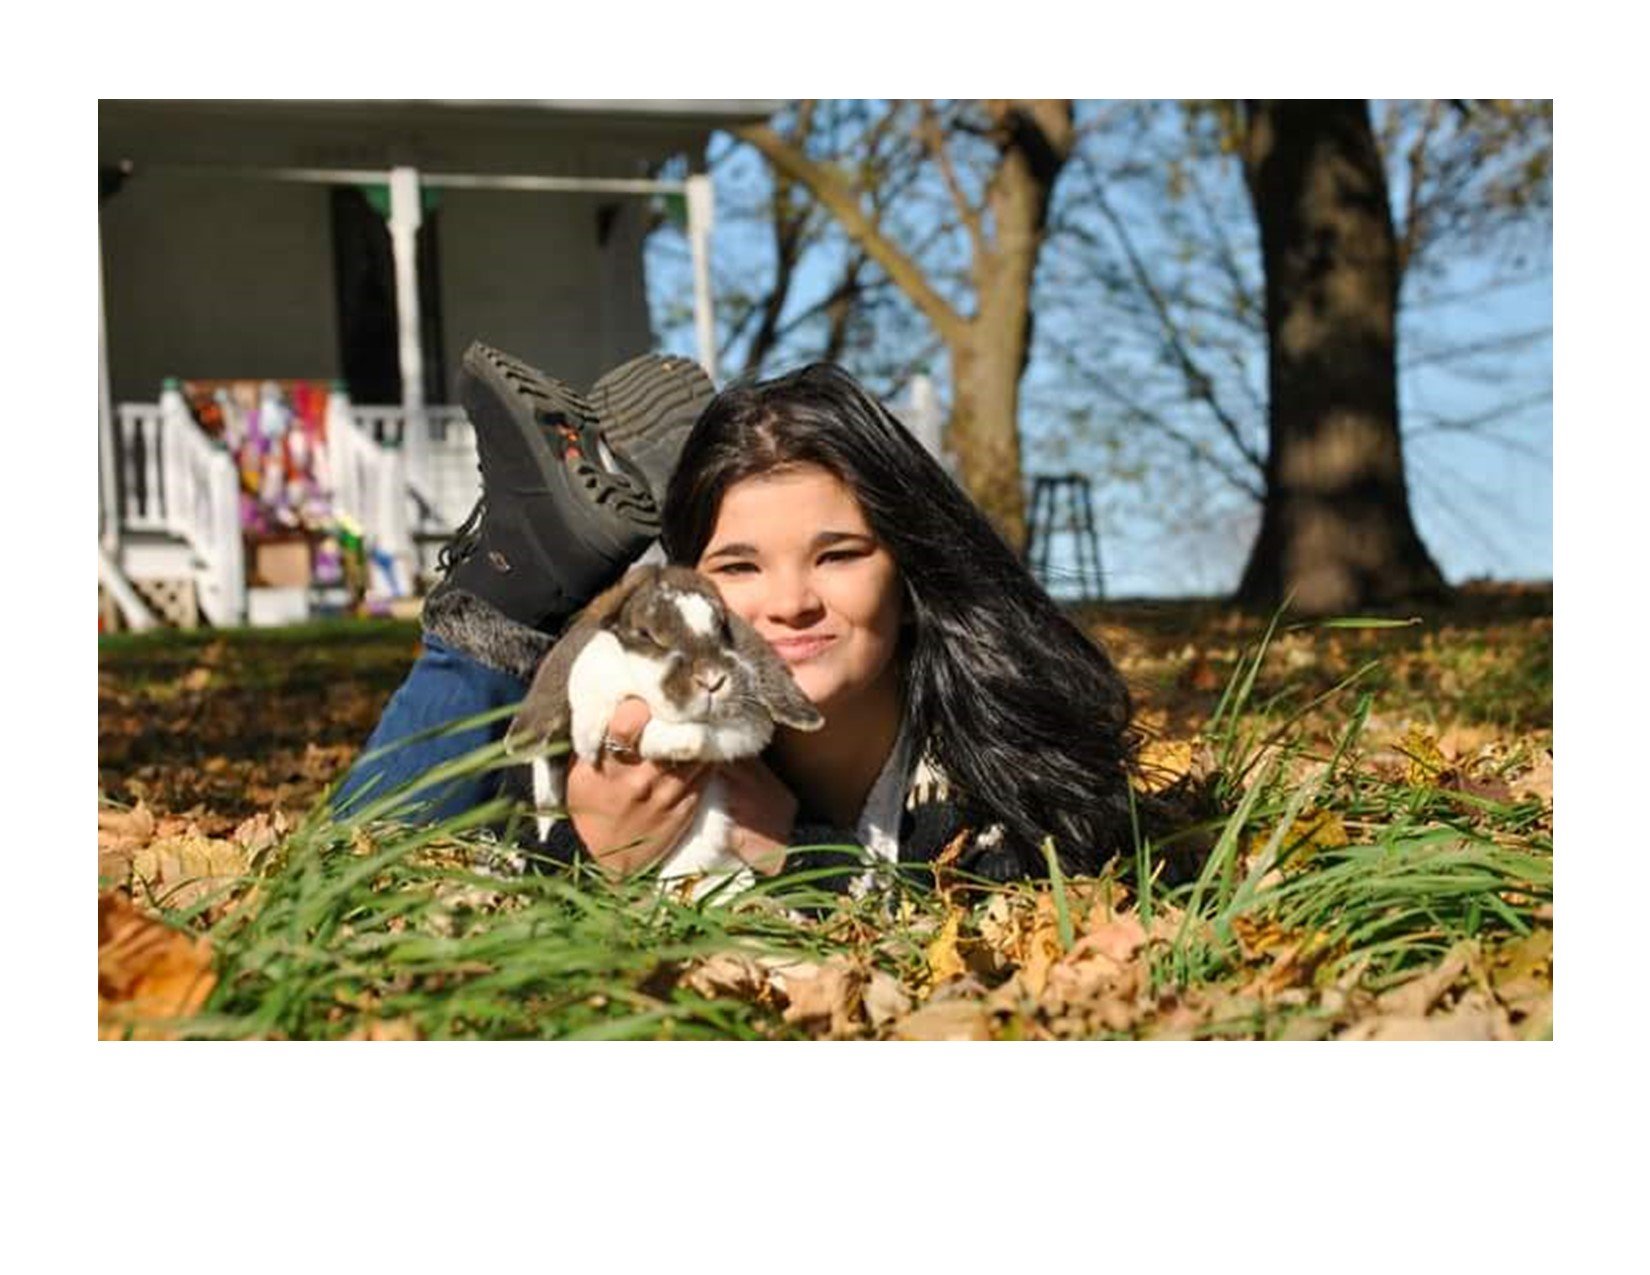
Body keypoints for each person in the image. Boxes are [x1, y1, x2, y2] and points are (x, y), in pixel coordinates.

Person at [337, 343, 1138, 889]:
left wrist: (792, 851)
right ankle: (511, 588)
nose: (791, 603)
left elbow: (963, 961)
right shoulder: (635, 740)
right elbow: (378, 916)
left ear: (909, 568)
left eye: (838, 555)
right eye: (739, 566)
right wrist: (588, 854)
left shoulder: (1004, 760)